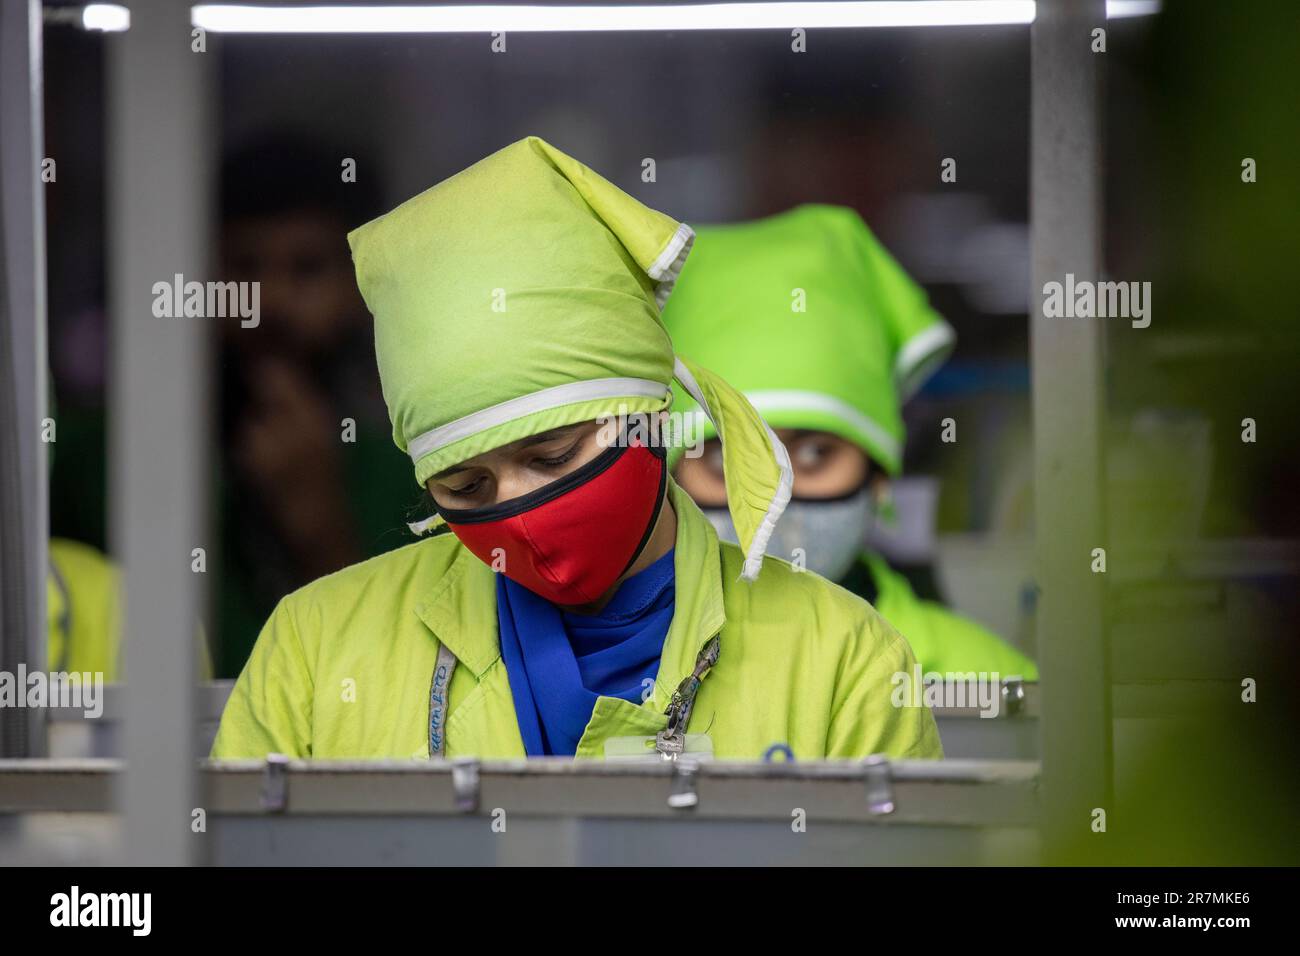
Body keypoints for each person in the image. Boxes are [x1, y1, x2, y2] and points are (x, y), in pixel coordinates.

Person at [211, 138, 943, 760]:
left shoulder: (842, 663)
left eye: (553, 456)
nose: (519, 512)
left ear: (651, 415)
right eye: (465, 487)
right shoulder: (314, 652)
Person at [664, 205, 1037, 679]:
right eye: (727, 457)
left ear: (879, 476)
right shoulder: (623, 684)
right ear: (670, 479)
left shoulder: (988, 681)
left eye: (815, 453)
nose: (774, 494)